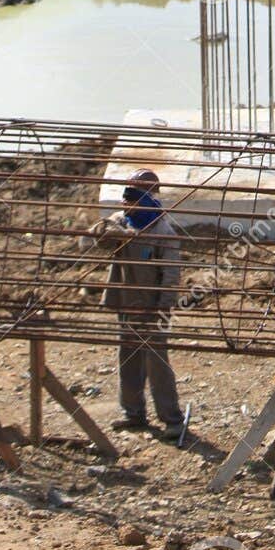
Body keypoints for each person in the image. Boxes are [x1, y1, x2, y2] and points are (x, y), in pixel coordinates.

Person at [101, 169, 184, 440]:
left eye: (132, 198)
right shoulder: (122, 221)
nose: (126, 204)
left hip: (152, 308)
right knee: (128, 358)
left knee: (157, 362)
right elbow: (97, 236)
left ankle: (171, 418)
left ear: (146, 198)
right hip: (127, 303)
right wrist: (113, 230)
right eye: (126, 198)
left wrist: (161, 307)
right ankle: (133, 413)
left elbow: (171, 275)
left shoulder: (162, 230)